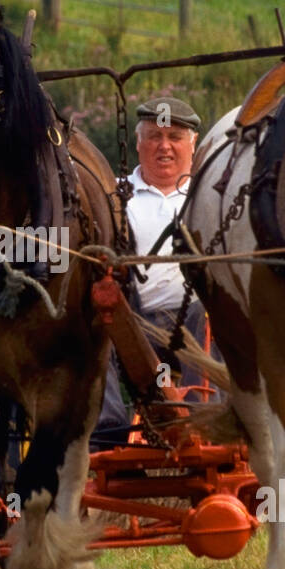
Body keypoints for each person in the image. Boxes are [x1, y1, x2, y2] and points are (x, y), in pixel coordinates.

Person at [94, 96, 221, 444]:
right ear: (138, 143)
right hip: (132, 320)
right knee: (94, 319)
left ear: (192, 143)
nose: (164, 146)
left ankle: (202, 426)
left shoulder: (211, 194)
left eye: (174, 137)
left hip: (193, 321)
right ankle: (109, 434)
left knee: (211, 311)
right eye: (154, 136)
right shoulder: (114, 198)